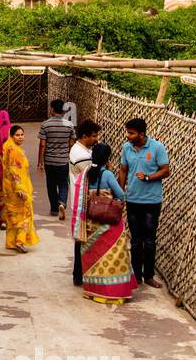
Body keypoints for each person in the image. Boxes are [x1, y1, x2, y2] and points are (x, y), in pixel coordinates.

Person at [75, 142, 137, 303]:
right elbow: (120, 195)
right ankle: (113, 292)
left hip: (90, 222)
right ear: (107, 158)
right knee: (114, 255)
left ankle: (93, 291)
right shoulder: (107, 175)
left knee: (94, 256)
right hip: (108, 222)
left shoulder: (86, 174)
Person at [117, 117, 171, 289]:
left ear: (141, 134)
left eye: (131, 133)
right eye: (127, 132)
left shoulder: (157, 147)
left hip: (151, 202)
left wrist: (149, 177)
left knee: (149, 240)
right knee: (135, 240)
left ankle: (149, 276)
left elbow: (165, 170)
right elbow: (123, 170)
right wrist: (121, 193)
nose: (127, 135)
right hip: (132, 200)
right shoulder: (126, 148)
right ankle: (136, 276)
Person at [68, 120, 102, 286]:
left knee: (81, 237)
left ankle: (80, 273)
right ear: (84, 136)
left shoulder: (81, 149)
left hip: (79, 200)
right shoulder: (81, 155)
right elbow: (93, 175)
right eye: (94, 136)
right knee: (82, 238)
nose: (96, 139)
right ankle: (79, 274)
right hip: (82, 201)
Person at [0, 124, 40, 252]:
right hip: (17, 188)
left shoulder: (8, 146)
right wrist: (20, 189)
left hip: (8, 187)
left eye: (22, 134)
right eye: (17, 135)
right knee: (25, 214)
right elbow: (14, 171)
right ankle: (20, 241)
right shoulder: (15, 151)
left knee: (12, 215)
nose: (21, 137)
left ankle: (11, 242)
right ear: (12, 136)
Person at [38, 99, 74, 219]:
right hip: (63, 160)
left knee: (51, 184)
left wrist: (40, 162)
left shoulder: (45, 124)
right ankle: (62, 203)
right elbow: (71, 143)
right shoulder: (69, 125)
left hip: (49, 160)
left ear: (52, 109)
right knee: (64, 183)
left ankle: (54, 208)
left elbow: (42, 144)